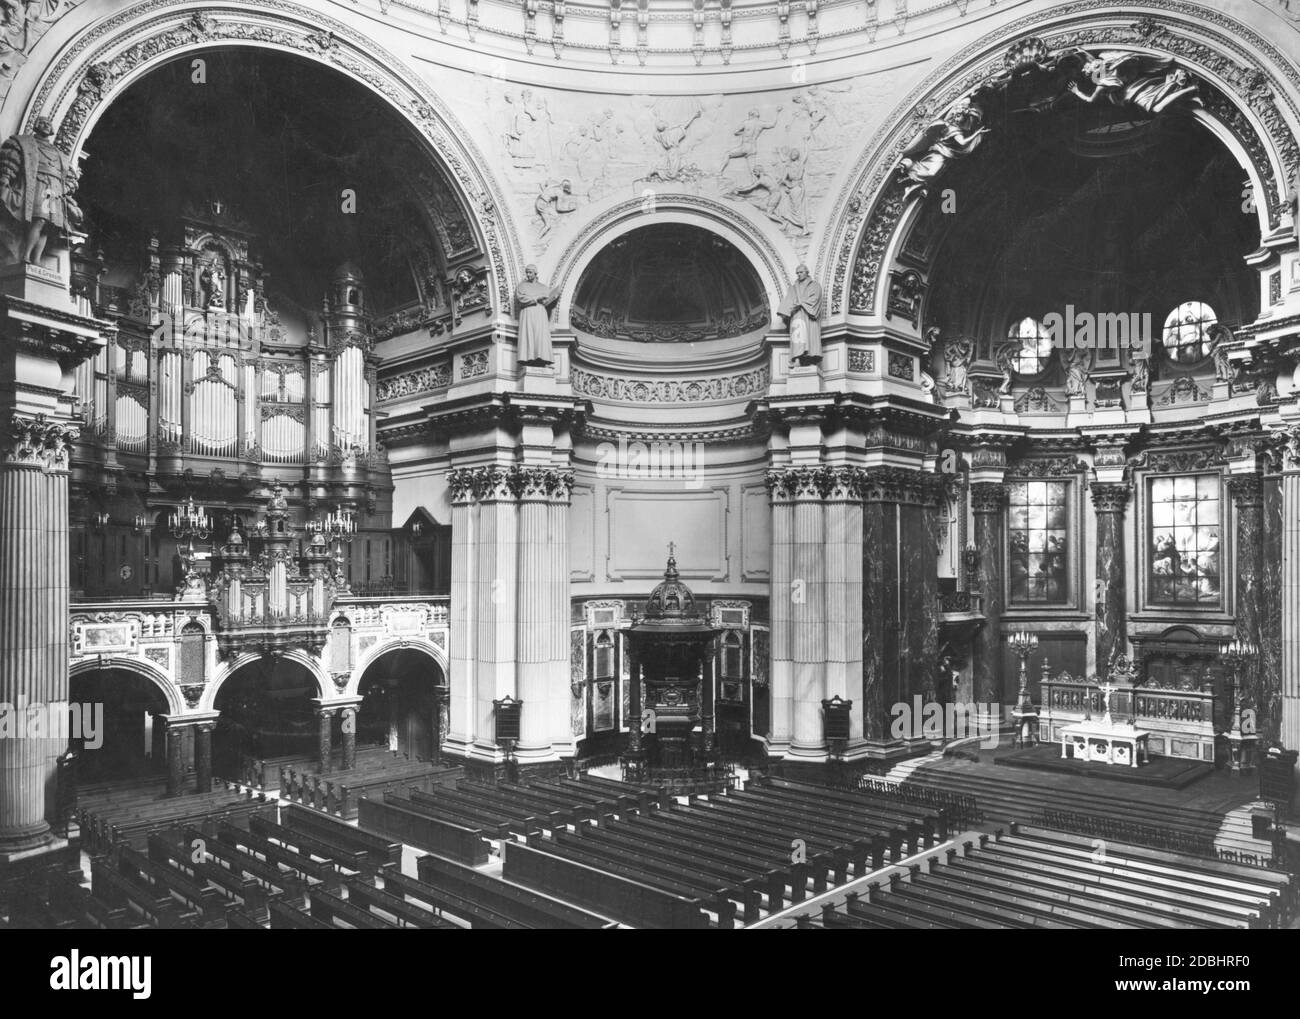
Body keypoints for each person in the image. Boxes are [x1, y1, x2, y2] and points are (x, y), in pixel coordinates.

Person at [0, 114, 83, 264]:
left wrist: (65, 189)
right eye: (42, 123)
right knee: (39, 220)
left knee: (48, 226)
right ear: (36, 125)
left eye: (48, 124)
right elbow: (11, 160)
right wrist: (5, 178)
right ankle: (25, 255)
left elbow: (71, 177)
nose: (46, 125)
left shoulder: (59, 154)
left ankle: (36, 259)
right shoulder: (24, 143)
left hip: (54, 190)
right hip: (38, 184)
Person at [778, 264, 823, 365]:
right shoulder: (793, 288)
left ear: (807, 272)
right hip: (797, 315)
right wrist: (784, 311)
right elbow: (788, 302)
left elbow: (815, 299)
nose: (799, 275)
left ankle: (811, 360)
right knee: (797, 337)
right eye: (797, 273)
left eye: (801, 272)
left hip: (808, 316)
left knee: (809, 337)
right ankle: (797, 359)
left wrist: (801, 303)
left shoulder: (815, 285)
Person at [515, 264, 560, 365]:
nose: (528, 274)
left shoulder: (543, 287)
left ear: (535, 273)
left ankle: (541, 357)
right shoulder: (522, 286)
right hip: (528, 312)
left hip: (540, 313)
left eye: (530, 272)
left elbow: (548, 302)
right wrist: (536, 299)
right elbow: (520, 299)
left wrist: (554, 298)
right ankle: (528, 357)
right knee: (529, 334)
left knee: (540, 335)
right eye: (527, 272)